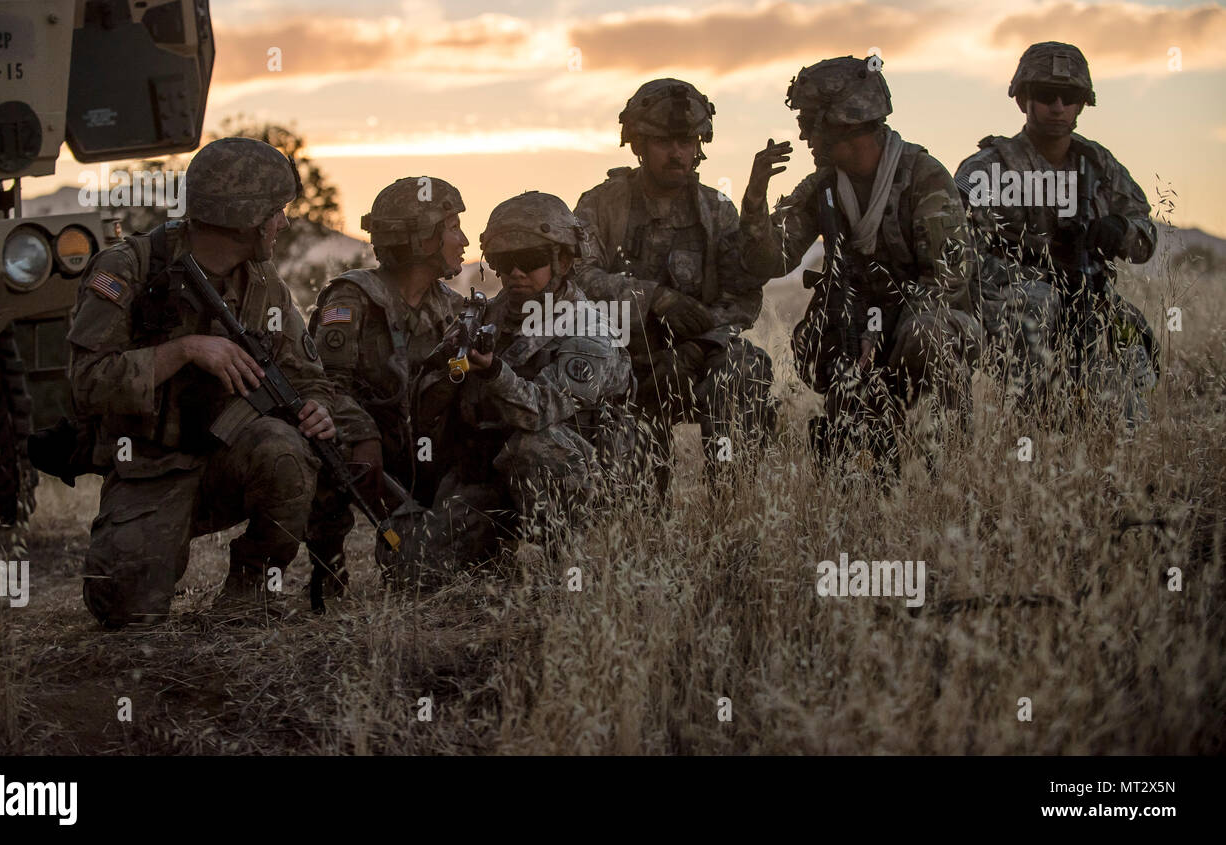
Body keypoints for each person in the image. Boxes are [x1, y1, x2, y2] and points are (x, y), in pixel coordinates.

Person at [68, 137, 378, 627]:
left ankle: (250, 585)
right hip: (152, 465)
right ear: (248, 219)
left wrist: (316, 404)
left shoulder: (263, 283)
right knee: (124, 610)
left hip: (231, 460)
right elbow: (87, 384)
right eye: (277, 211)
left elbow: (305, 372)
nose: (285, 223)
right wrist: (185, 351)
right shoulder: (127, 269)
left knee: (285, 450)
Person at [378, 192, 634, 585]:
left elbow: (539, 411)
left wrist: (494, 372)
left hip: (576, 476)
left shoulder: (587, 328)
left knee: (533, 448)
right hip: (491, 474)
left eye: (530, 260)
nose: (515, 273)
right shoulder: (484, 318)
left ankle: (566, 559)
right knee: (408, 564)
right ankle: (497, 545)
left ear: (563, 261)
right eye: (503, 262)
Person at [742, 56, 982, 468]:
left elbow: (948, 281)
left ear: (844, 125)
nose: (805, 138)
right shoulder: (822, 186)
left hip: (926, 319)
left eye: (812, 124)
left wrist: (881, 329)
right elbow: (772, 260)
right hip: (853, 325)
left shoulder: (925, 177)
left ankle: (951, 463)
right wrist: (755, 196)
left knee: (927, 337)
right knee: (821, 346)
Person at [573, 78, 776, 495]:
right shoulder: (601, 204)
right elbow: (578, 281)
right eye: (665, 142)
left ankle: (731, 505)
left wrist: (700, 344)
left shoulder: (715, 209)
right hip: (624, 359)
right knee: (637, 502)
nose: (678, 152)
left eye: (687, 141)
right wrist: (654, 298)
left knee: (743, 368)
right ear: (639, 145)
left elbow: (742, 293)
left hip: (697, 354)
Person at [953, 41, 1159, 425]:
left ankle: (1116, 453)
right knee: (1036, 309)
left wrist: (1120, 232)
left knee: (1133, 352)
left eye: (1070, 97)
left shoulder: (1099, 165)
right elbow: (952, 249)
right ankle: (1036, 433)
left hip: (1086, 294)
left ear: (1083, 103)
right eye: (1047, 96)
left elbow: (1145, 238)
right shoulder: (988, 167)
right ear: (1023, 100)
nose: (1058, 106)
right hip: (1008, 302)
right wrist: (1020, 274)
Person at [305, 176, 468, 601]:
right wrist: (362, 433)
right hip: (361, 446)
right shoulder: (353, 298)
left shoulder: (452, 308)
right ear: (421, 240)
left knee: (424, 572)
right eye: (452, 227)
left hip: (421, 451)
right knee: (319, 442)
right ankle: (328, 564)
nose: (463, 240)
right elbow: (322, 385)